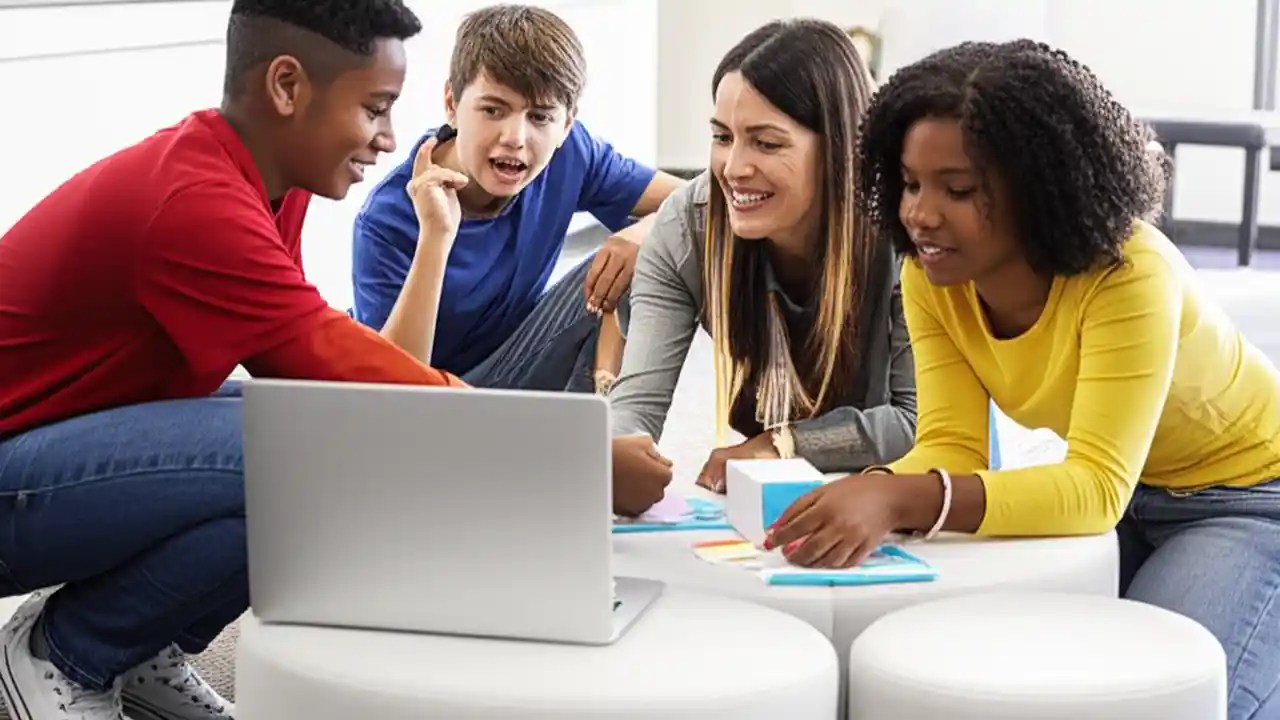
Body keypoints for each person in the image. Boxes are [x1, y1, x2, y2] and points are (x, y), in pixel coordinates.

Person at [769, 39, 1280, 719]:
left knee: (1165, 698)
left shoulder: (1129, 273)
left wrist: (898, 500)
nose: (920, 214)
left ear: (1042, 184)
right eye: (910, 183)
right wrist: (875, 490)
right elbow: (952, 444)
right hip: (1129, 499)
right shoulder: (931, 276)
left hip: (1246, 497)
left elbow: (1094, 486)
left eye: (958, 190)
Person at [0, 1, 471, 717]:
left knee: (309, 444)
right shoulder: (193, 201)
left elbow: (313, 366)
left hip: (46, 458)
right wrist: (555, 447)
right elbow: (334, 369)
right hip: (12, 471)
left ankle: (137, 639)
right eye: (375, 108)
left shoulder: (265, 186)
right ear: (287, 86)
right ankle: (66, 652)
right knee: (304, 442)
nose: (388, 138)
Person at [608, 17, 917, 498]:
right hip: (776, 487)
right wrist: (615, 455)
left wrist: (782, 444)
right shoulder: (687, 227)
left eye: (766, 143)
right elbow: (637, 404)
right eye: (722, 137)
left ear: (840, 148)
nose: (732, 169)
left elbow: (916, 419)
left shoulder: (905, 230)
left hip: (913, 481)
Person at [351, 3, 685, 400]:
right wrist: (436, 237)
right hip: (434, 404)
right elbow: (394, 392)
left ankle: (608, 434)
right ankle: (591, 445)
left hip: (515, 372)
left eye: (540, 118)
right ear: (452, 105)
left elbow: (699, 201)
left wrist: (643, 232)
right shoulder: (387, 219)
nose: (515, 137)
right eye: (493, 110)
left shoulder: (572, 154)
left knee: (654, 251)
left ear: (566, 124)